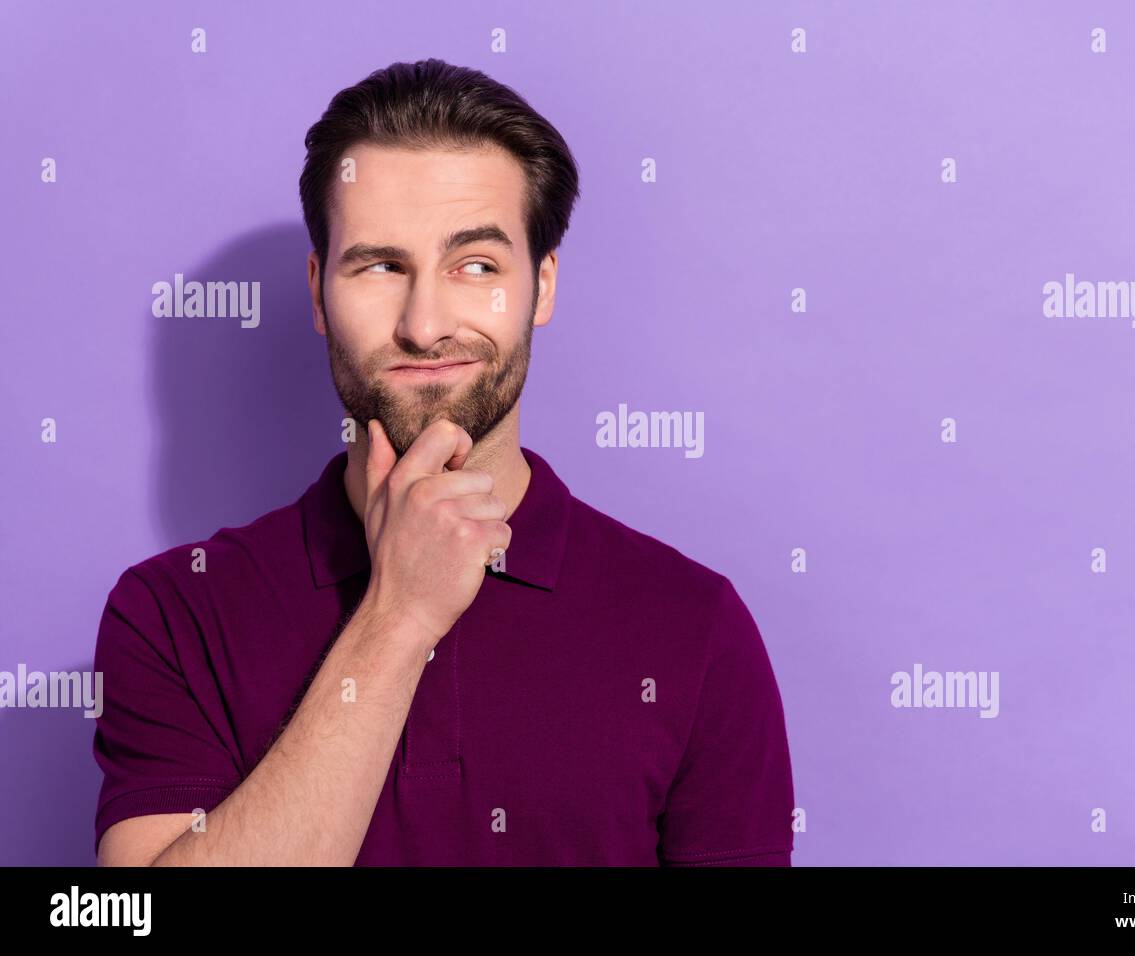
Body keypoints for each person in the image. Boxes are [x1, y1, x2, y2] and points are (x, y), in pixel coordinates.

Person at [93, 57, 794, 866]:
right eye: (382, 266)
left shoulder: (694, 626)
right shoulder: (176, 612)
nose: (425, 325)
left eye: (477, 266)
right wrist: (399, 618)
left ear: (542, 286)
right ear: (319, 293)